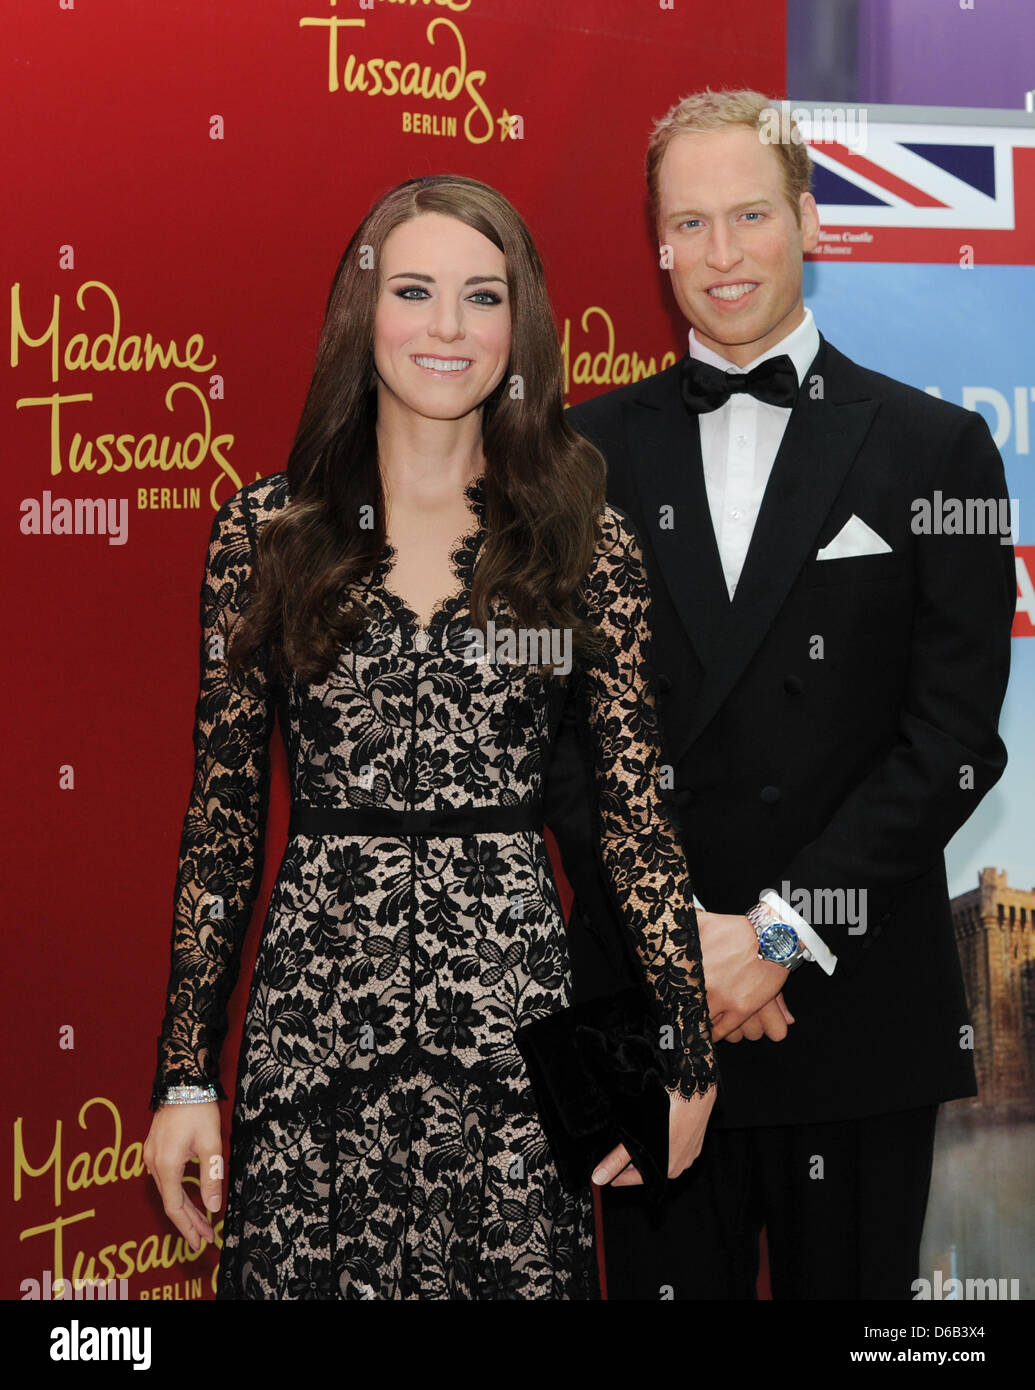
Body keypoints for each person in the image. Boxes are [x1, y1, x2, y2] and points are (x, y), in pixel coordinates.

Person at [142, 174, 717, 1301]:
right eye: (414, 291)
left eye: (482, 297)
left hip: (514, 1024)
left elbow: (633, 815)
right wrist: (180, 1075)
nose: (448, 328)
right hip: (313, 1019)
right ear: (364, 314)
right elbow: (221, 822)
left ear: (521, 326)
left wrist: (683, 1043)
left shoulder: (583, 542)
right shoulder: (268, 531)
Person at [546, 89, 1016, 1300]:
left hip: (854, 1011)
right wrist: (686, 949)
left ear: (809, 219)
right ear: (656, 245)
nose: (721, 254)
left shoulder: (937, 448)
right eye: (688, 224)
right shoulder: (576, 460)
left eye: (749, 214)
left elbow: (955, 736)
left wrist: (777, 936)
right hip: (649, 1014)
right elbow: (554, 740)